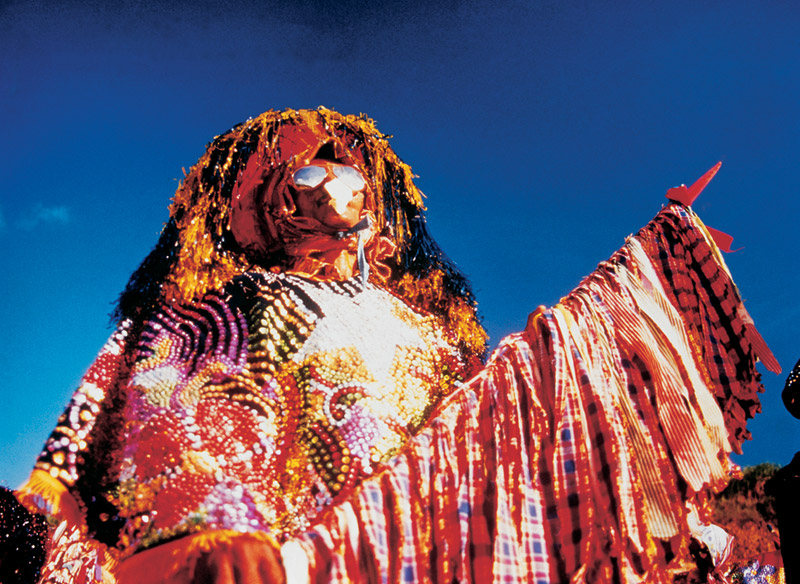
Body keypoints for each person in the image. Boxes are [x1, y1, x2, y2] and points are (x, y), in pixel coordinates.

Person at [14, 108, 778, 584]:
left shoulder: (434, 338)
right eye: (291, 171)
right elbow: (184, 408)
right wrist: (217, 526)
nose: (319, 182)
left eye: (336, 164)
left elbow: (491, 443)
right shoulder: (232, 303)